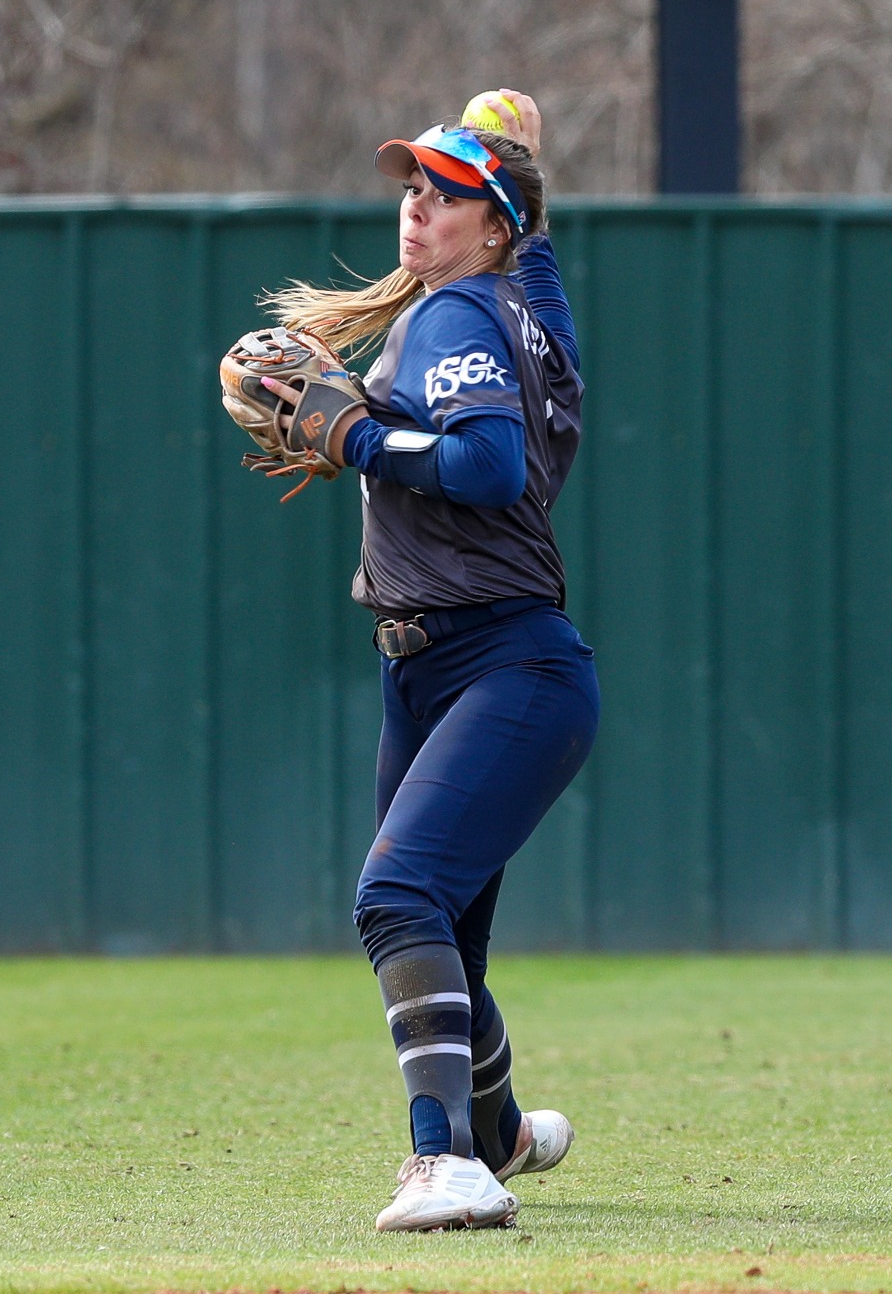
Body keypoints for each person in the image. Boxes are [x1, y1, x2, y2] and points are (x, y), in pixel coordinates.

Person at [255, 91, 599, 1232]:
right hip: (443, 662)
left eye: (443, 196)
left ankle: (444, 1162)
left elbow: (490, 468)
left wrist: (351, 434)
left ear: (486, 227)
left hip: (499, 658)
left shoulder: (456, 318)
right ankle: (497, 1132)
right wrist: (514, 165)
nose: (414, 211)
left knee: (396, 893)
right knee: (437, 926)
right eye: (409, 190)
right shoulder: (522, 297)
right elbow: (539, 257)